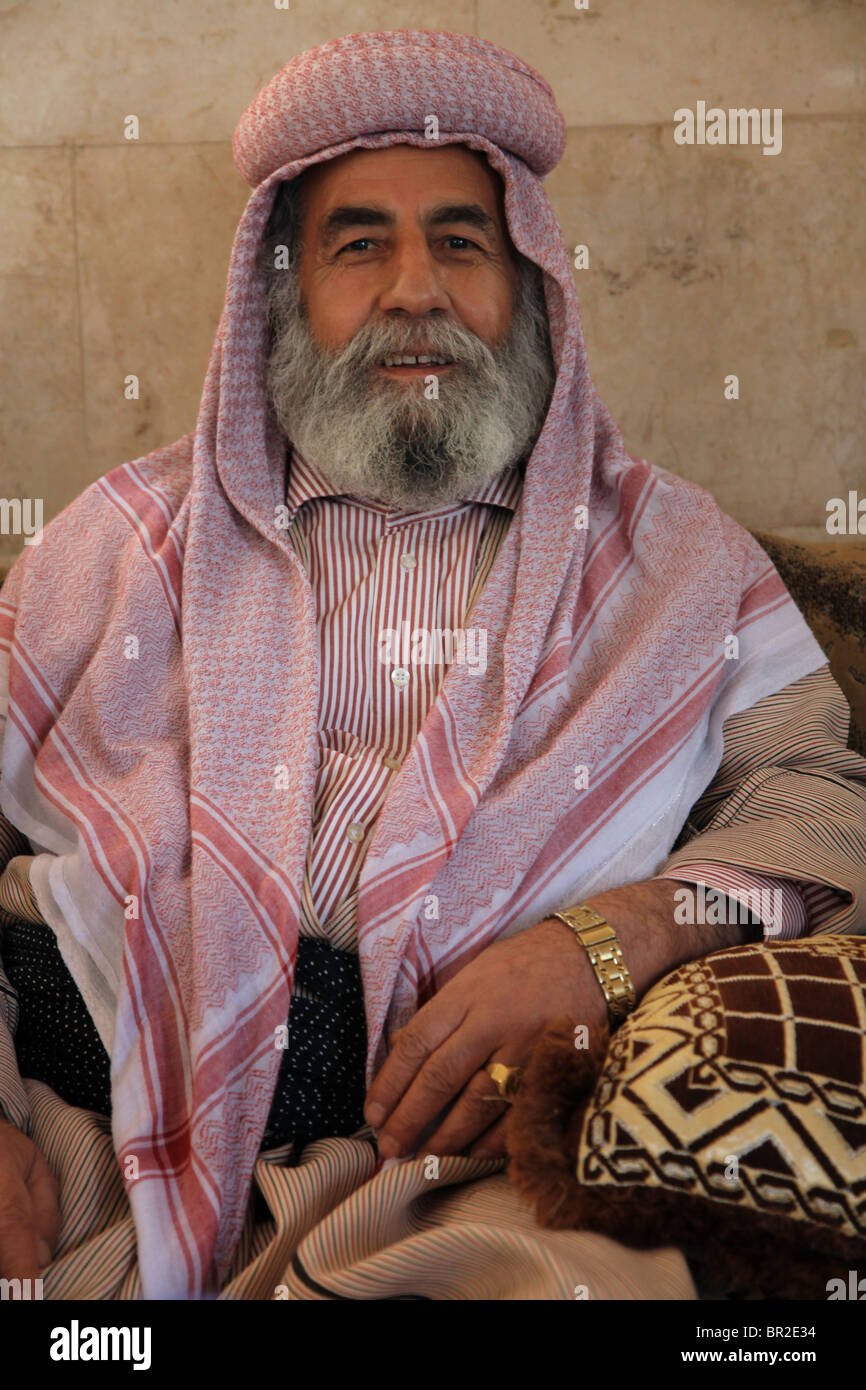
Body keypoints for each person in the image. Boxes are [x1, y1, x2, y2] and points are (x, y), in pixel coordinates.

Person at [0, 29, 864, 1301]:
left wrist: (613, 940)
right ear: (281, 289)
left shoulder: (670, 557)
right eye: (359, 245)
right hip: (83, 1145)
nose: (415, 288)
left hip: (480, 1171)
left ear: (528, 280)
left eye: (460, 242)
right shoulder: (120, 541)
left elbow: (819, 802)